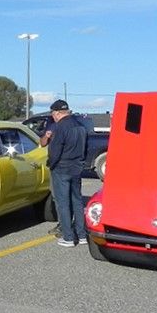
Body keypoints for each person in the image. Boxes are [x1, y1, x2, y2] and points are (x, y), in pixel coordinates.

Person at [47, 99, 88, 247]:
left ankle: (68, 237)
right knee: (77, 201)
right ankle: (82, 234)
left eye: (53, 114)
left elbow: (54, 151)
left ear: (58, 113)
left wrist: (51, 164)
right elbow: (85, 148)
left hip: (62, 167)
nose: (53, 116)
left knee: (63, 203)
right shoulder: (80, 126)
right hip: (77, 167)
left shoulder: (60, 128)